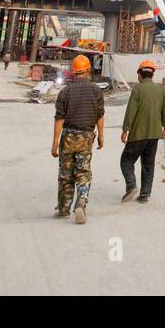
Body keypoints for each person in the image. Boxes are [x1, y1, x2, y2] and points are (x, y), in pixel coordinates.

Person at [52, 54, 105, 223]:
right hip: (86, 137)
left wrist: (55, 142)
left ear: (74, 72)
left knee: (65, 174)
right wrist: (101, 136)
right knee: (83, 172)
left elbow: (59, 118)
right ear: (88, 70)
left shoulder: (65, 92)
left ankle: (63, 208)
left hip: (67, 137)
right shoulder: (96, 90)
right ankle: (81, 203)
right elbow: (99, 115)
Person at [119, 60, 165, 204]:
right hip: (154, 134)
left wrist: (125, 129)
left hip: (138, 134)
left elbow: (131, 111)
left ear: (140, 74)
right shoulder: (160, 90)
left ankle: (131, 186)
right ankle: (144, 195)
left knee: (126, 160)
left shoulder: (137, 89)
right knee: (148, 164)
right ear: (152, 74)